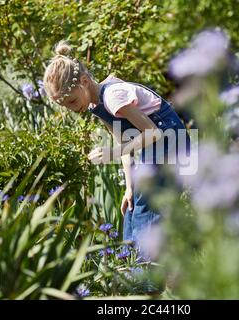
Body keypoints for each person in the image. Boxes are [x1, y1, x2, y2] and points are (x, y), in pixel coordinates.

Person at [43, 40, 191, 257]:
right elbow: (124, 143)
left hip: (170, 141)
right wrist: (129, 187)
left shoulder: (113, 96)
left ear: (84, 81)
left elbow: (152, 132)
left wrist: (111, 154)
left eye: (73, 101)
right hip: (157, 145)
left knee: (146, 208)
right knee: (132, 209)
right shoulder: (96, 105)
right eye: (67, 106)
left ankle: (146, 277)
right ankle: (132, 267)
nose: (73, 109)